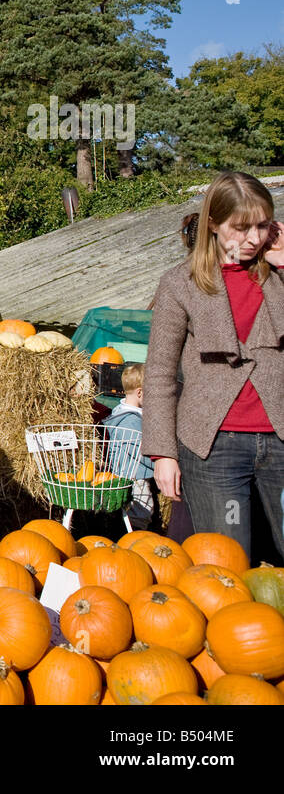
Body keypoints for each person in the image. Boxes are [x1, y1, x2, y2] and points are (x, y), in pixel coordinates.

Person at [145, 171, 284, 563]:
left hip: (280, 441)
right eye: (241, 228)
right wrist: (163, 455)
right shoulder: (180, 284)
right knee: (230, 561)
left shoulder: (277, 279)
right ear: (213, 224)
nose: (253, 239)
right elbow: (158, 374)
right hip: (213, 446)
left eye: (262, 226)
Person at [100, 363, 158, 530]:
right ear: (140, 393)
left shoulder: (119, 411)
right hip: (134, 476)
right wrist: (160, 464)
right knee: (142, 509)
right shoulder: (131, 422)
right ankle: (137, 537)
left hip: (123, 472)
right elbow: (141, 452)